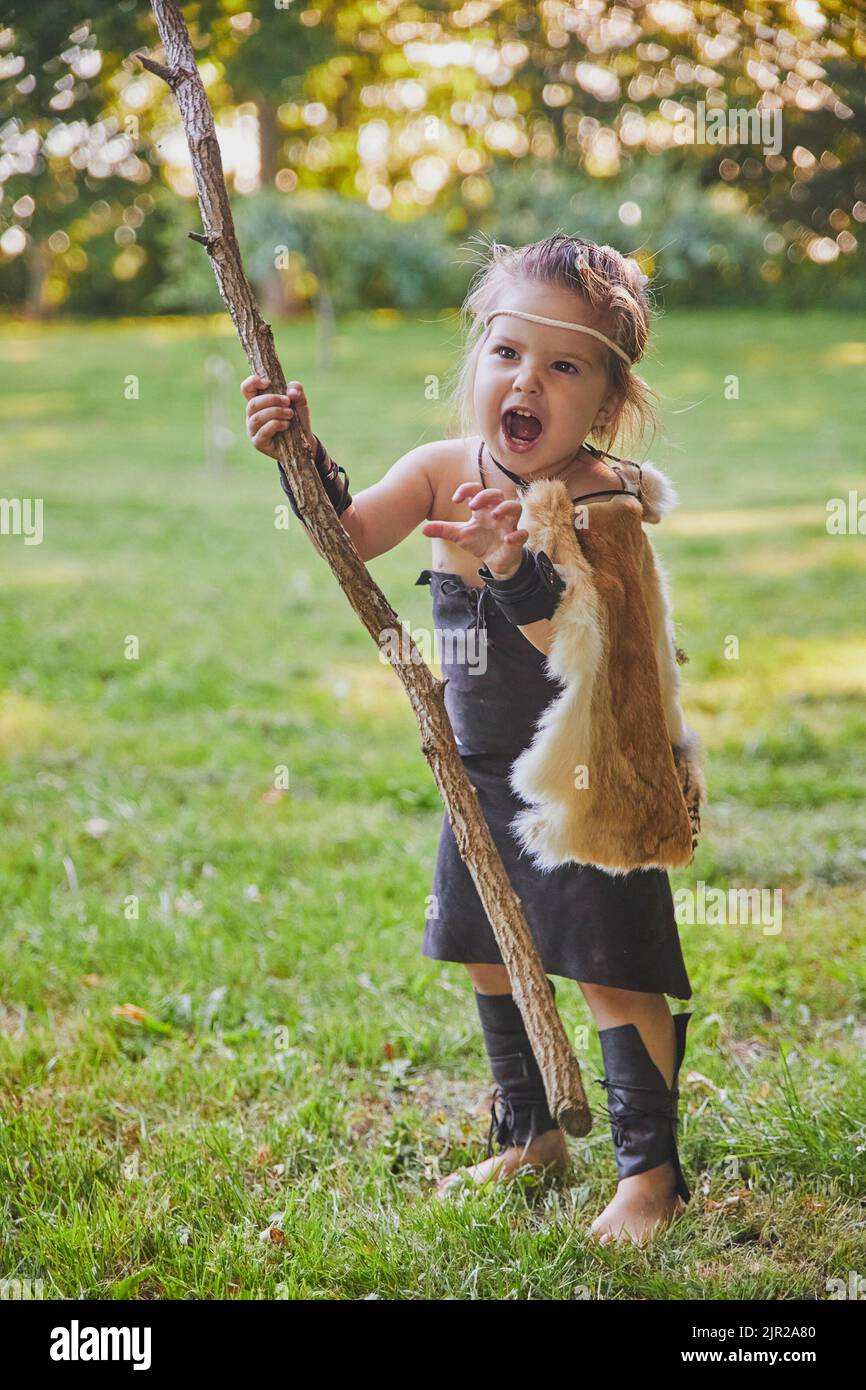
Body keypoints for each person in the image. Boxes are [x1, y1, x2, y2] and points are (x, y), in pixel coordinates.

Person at [240, 232, 696, 1246]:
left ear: (605, 403)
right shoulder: (443, 469)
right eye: (506, 354)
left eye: (562, 365)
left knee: (608, 966)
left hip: (585, 780)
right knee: (489, 948)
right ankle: (529, 1130)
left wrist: (510, 562)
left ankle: (649, 1174)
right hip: (477, 770)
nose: (525, 381)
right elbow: (348, 533)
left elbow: (575, 643)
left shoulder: (598, 500)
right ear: (474, 361)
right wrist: (300, 455)